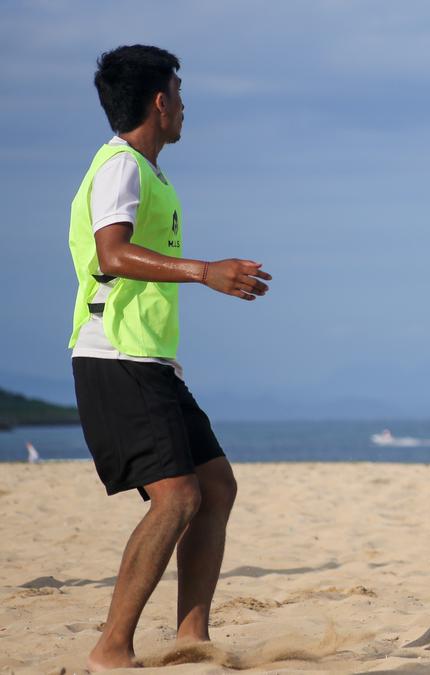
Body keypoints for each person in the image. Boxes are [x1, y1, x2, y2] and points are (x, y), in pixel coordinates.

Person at [67, 45, 271, 670]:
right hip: (115, 355)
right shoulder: (120, 166)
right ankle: (111, 649)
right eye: (179, 95)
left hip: (151, 360)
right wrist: (204, 270)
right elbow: (111, 254)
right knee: (177, 496)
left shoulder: (149, 173)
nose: (184, 107)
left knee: (215, 486)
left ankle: (191, 638)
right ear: (160, 102)